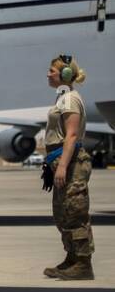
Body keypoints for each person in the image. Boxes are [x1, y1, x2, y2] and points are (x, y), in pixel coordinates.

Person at [42, 54, 94, 280]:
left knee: (75, 213)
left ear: (63, 75)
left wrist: (62, 166)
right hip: (60, 160)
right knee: (62, 214)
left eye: (51, 71)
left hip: (71, 162)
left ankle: (83, 264)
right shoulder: (62, 98)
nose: (47, 74)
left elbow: (71, 136)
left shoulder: (71, 99)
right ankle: (71, 258)